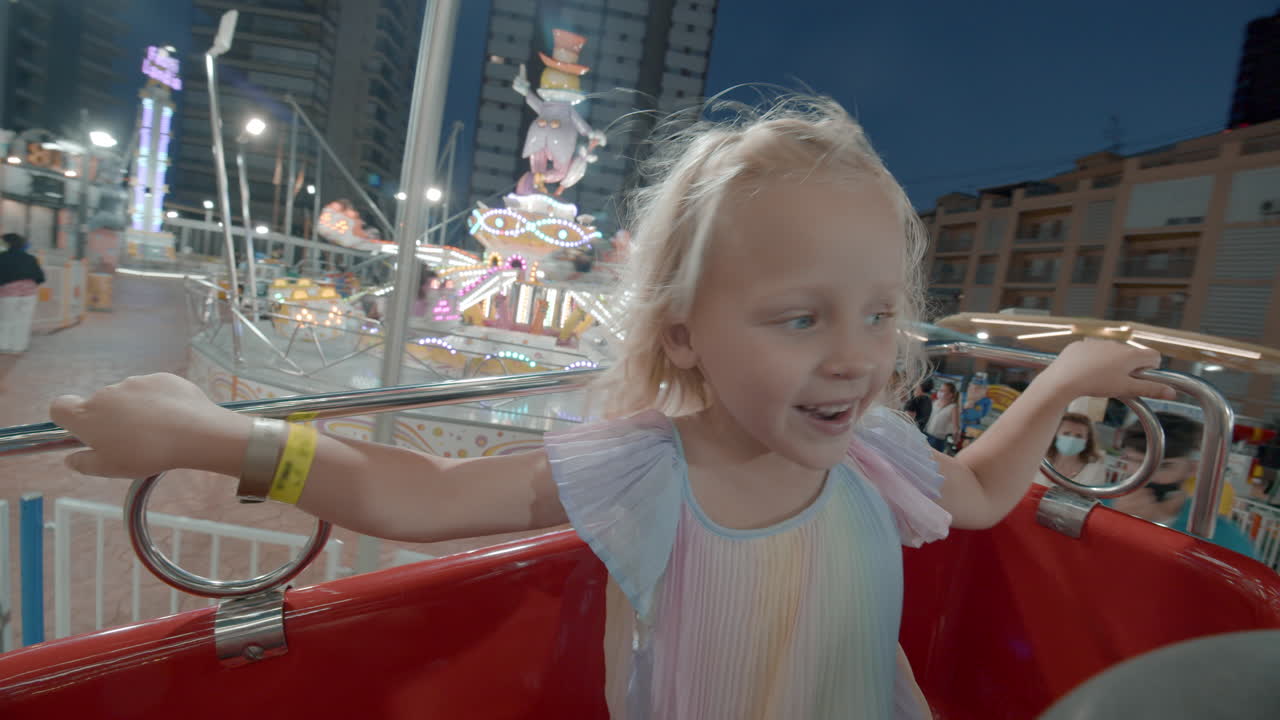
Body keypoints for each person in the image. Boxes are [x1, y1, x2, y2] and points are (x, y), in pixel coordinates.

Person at [49, 97, 1172, 719]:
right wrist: (214, 435)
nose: (854, 359)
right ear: (682, 332)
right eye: (798, 319)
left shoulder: (871, 450)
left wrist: (1063, 380)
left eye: (877, 314)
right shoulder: (649, 468)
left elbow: (974, 494)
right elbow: (419, 494)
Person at [1110, 413, 1255, 559]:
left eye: (1163, 466)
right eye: (1135, 461)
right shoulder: (1097, 503)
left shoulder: (1222, 539)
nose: (1142, 476)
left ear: (1192, 469)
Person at [1032, 412, 1107, 487]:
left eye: (1079, 436)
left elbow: (1093, 496)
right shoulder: (1039, 460)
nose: (1072, 439)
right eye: (1066, 433)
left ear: (1087, 440)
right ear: (1055, 434)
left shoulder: (1094, 468)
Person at [0, 233, 46, 354]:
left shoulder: (2, 257)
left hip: (9, 293)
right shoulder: (31, 258)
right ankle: (19, 347)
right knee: (23, 321)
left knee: (6, 320)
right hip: (29, 294)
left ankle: (4, 346)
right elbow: (40, 277)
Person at [923, 381, 960, 453]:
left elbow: (956, 427)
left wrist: (955, 439)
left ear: (950, 394)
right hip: (926, 434)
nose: (939, 392)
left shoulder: (953, 407)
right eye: (940, 390)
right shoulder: (935, 402)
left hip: (938, 440)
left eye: (943, 391)